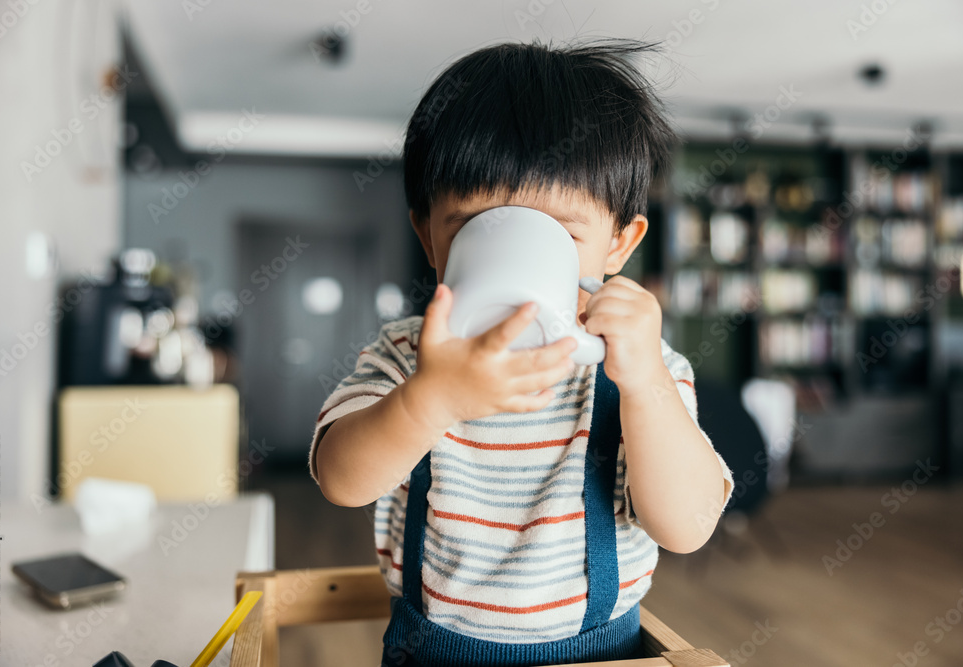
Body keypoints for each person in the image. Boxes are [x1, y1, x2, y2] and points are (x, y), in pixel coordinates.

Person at [308, 38, 735, 667]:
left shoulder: (644, 366)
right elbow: (341, 480)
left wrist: (644, 385)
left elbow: (687, 527)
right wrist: (430, 400)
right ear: (429, 236)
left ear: (620, 244)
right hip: (437, 651)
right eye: (473, 226)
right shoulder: (408, 353)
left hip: (603, 653)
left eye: (558, 232)